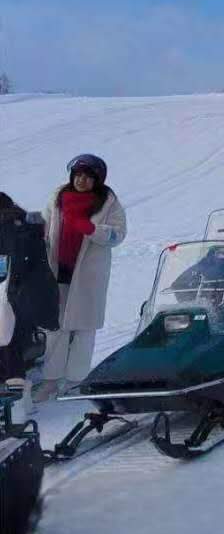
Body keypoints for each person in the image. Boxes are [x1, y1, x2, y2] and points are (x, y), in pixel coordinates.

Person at [39, 154, 127, 400]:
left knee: (84, 329)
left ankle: (75, 380)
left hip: (88, 276)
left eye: (88, 177)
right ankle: (50, 380)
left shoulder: (108, 202)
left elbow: (118, 235)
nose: (82, 180)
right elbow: (46, 225)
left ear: (97, 180)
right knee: (55, 327)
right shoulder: (59, 196)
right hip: (57, 270)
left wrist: (91, 229)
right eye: (78, 175)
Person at [0, 194, 59, 421]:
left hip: (20, 296)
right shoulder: (20, 226)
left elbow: (15, 265)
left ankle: (20, 406)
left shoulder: (15, 229)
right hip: (17, 294)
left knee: (9, 342)